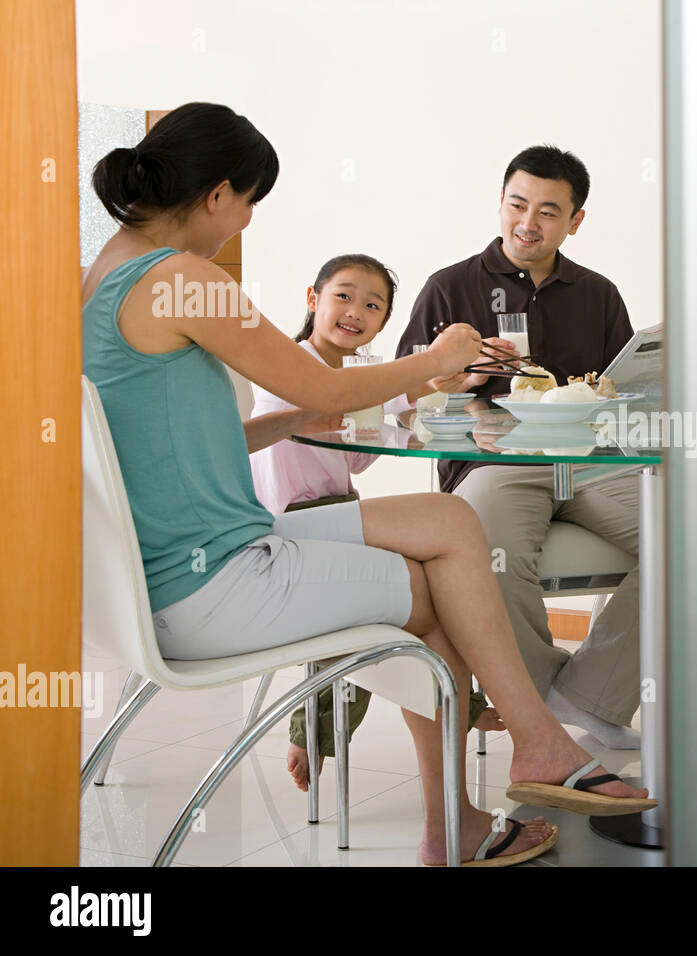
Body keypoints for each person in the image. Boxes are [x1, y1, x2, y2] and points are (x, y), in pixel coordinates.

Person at [81, 103, 653, 867]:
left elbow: (175, 436)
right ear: (218, 193)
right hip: (209, 583)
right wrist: (434, 358)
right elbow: (324, 391)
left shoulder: (104, 275)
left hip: (195, 559)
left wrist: (282, 425)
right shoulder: (179, 279)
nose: (243, 223)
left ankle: (526, 751)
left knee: (449, 524)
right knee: (442, 589)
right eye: (250, 202)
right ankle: (495, 788)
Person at [395, 146, 642, 750]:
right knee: (488, 549)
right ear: (500, 202)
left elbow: (625, 390)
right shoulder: (450, 287)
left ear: (574, 221)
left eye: (549, 212)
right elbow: (401, 396)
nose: (528, 223)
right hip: (493, 463)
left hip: (589, 464)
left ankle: (592, 696)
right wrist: (460, 378)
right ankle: (535, 700)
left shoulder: (599, 294)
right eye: (517, 204)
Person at [245, 253, 503, 791]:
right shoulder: (292, 364)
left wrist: (434, 389)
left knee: (417, 578)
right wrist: (422, 379)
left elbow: (354, 455)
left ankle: (456, 696)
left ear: (383, 322)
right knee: (404, 575)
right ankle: (318, 726)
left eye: (372, 305)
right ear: (313, 299)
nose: (356, 311)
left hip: (335, 508)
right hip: (289, 523)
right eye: (343, 295)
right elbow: (316, 407)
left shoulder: (352, 378)